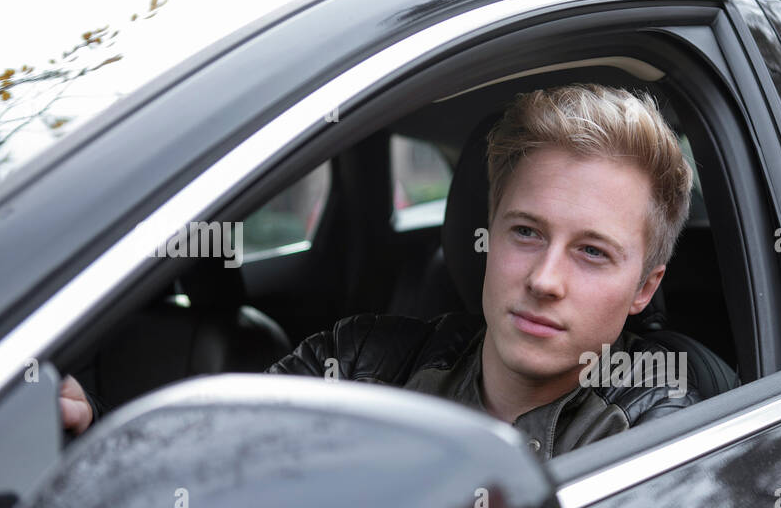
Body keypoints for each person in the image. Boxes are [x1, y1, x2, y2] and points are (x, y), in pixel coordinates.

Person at [59, 83, 701, 459]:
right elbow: (219, 458)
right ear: (488, 236)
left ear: (646, 286)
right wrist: (101, 433)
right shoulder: (360, 358)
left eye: (592, 252)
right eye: (527, 233)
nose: (544, 279)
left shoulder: (656, 435)